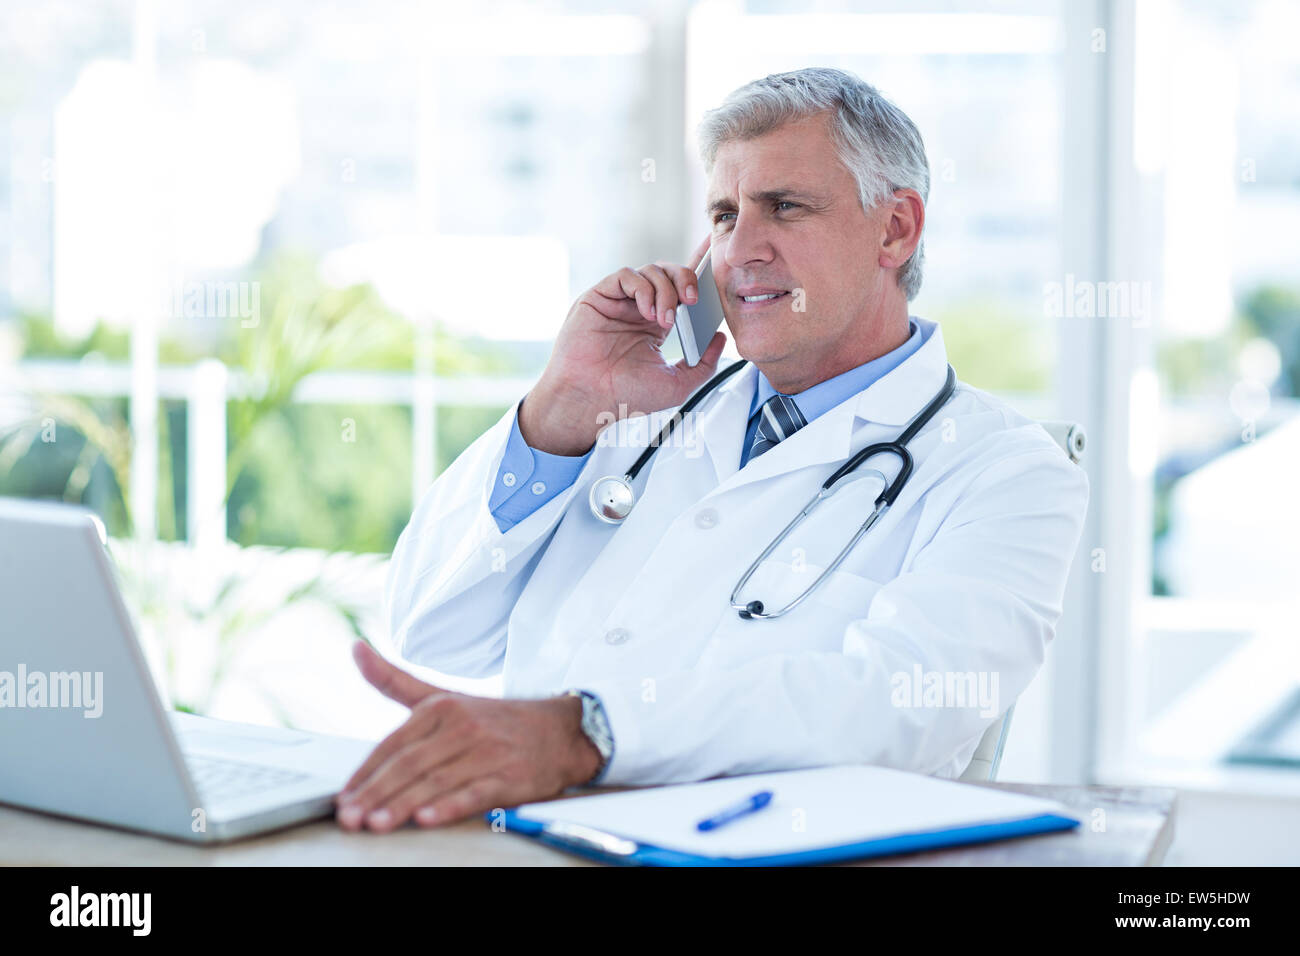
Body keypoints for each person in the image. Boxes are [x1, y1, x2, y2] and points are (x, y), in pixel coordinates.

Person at [334, 67, 1089, 834]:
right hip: (515, 844)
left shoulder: (1009, 473)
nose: (738, 252)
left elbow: (899, 705)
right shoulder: (639, 407)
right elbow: (434, 629)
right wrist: (561, 408)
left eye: (784, 208)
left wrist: (583, 733)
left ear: (895, 229)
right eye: (724, 215)